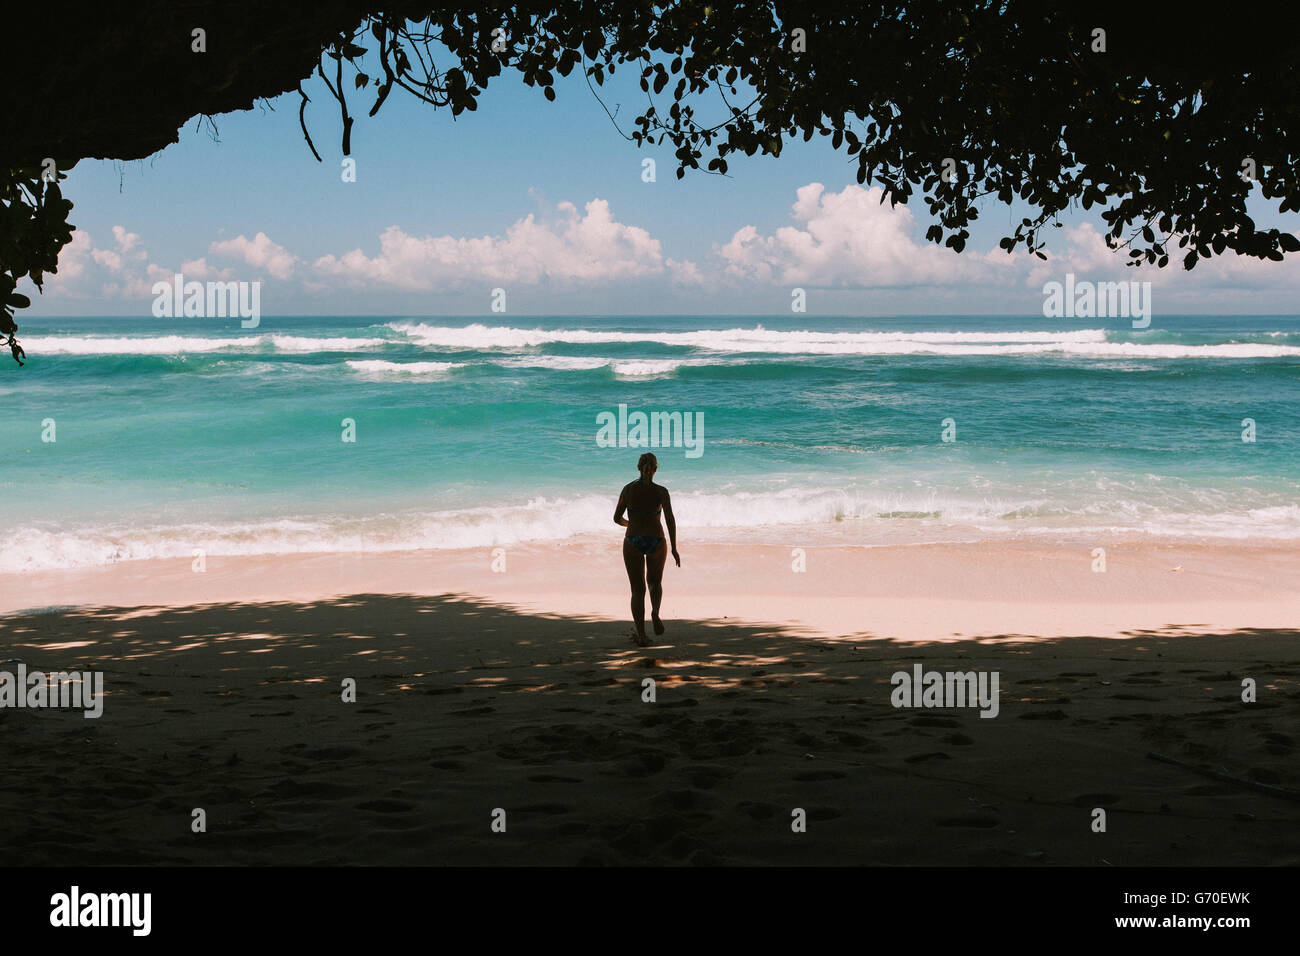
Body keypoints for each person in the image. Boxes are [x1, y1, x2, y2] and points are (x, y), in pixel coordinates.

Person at [614, 452, 679, 646]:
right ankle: (655, 613)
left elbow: (616, 518)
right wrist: (674, 547)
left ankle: (642, 636)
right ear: (655, 469)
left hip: (633, 540)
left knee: (637, 590)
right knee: (655, 583)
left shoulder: (628, 490)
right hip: (656, 540)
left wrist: (631, 524)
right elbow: (669, 519)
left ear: (638, 467)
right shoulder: (661, 491)